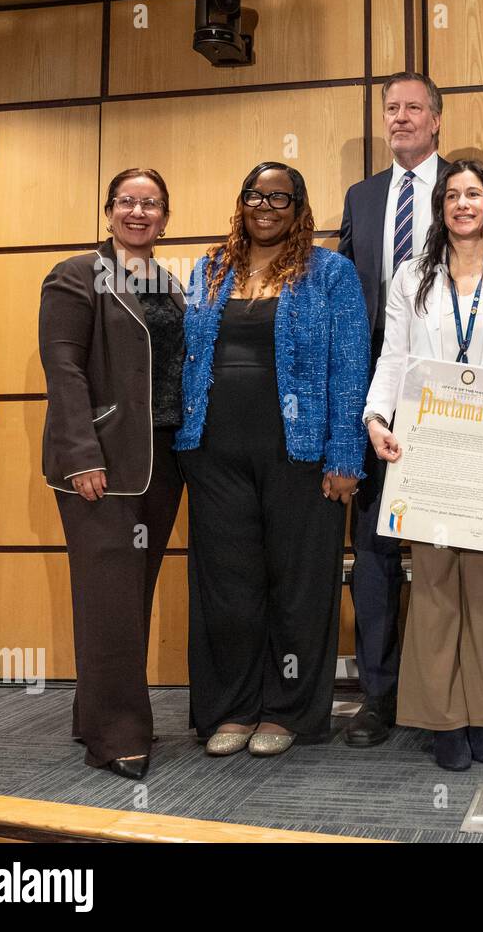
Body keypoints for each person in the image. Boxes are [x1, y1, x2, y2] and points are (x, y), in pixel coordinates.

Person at [177, 162, 369, 758]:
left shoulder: (330, 273)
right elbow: (186, 356)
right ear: (241, 203)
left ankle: (287, 710)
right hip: (213, 456)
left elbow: (350, 367)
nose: (265, 206)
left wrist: (345, 455)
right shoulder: (210, 269)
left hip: (302, 455)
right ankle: (232, 707)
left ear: (299, 207)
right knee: (228, 589)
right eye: (255, 196)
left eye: (279, 197)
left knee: (298, 588)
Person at [364, 159, 483, 771]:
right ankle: (444, 720)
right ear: (439, 207)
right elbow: (393, 357)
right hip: (429, 450)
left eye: (473, 193)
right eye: (451, 195)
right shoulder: (411, 276)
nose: (462, 203)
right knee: (436, 586)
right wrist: (376, 419)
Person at [39, 168, 185, 780]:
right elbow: (63, 366)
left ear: (165, 217)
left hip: (165, 459)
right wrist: (82, 454)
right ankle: (117, 735)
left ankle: (90, 714)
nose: (138, 212)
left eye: (151, 204)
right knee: (108, 602)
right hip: (104, 461)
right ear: (108, 210)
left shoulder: (171, 283)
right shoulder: (76, 275)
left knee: (128, 596)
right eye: (127, 201)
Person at [340, 72, 450, 747]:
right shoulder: (362, 196)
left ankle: (442, 694)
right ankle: (379, 695)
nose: (401, 118)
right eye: (392, 108)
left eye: (413, 108)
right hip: (376, 392)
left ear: (436, 120)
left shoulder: (463, 186)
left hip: (448, 392)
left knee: (443, 544)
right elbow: (346, 294)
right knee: (375, 548)